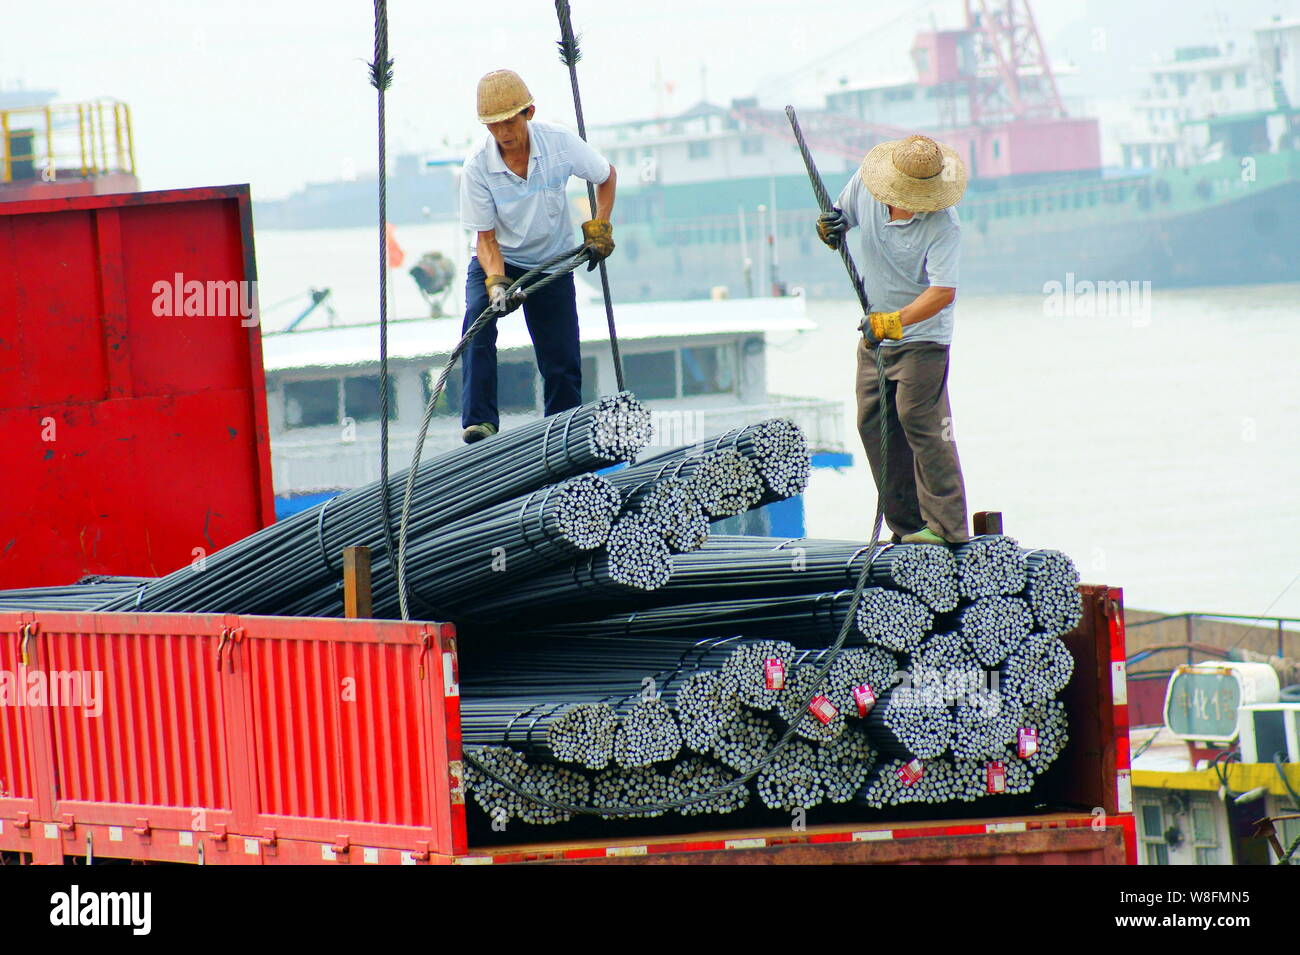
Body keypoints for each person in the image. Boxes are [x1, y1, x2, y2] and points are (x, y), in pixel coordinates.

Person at [816, 134, 970, 546]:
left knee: (921, 422)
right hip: (876, 339)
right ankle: (907, 526)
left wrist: (890, 324)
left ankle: (946, 528)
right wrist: (829, 228)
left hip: (922, 339)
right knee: (874, 423)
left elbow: (942, 293)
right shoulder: (866, 185)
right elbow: (839, 218)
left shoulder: (943, 223)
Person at [457, 69, 617, 443]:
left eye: (509, 122)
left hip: (552, 259)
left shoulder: (560, 142)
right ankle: (480, 422)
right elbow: (485, 239)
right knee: (476, 327)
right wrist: (496, 284)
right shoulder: (477, 166)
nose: (503, 133)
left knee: (560, 355)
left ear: (529, 112)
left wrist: (601, 226)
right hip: (499, 260)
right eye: (493, 126)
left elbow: (605, 176)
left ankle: (563, 432)